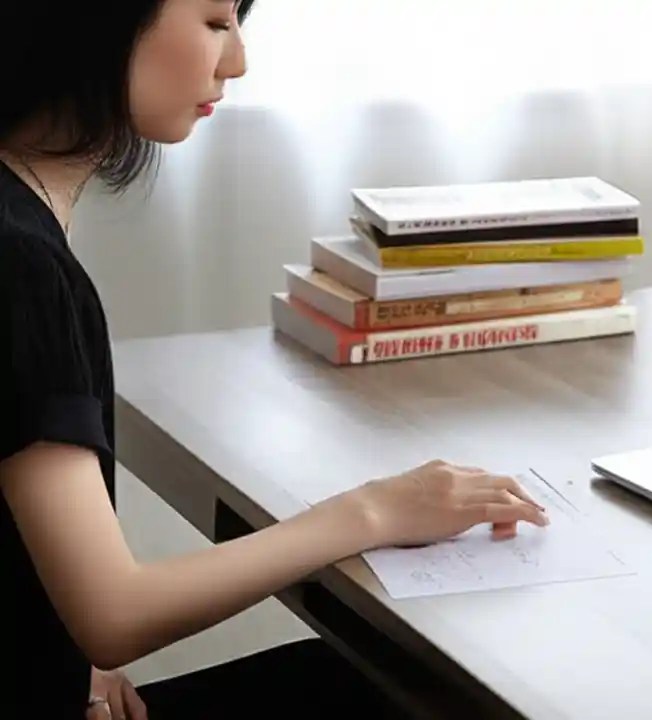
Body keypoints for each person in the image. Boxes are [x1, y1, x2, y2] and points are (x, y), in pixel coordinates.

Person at [0, 1, 552, 718]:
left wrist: (71, 666)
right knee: (413, 691)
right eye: (213, 21)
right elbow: (114, 610)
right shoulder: (21, 265)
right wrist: (374, 509)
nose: (236, 62)